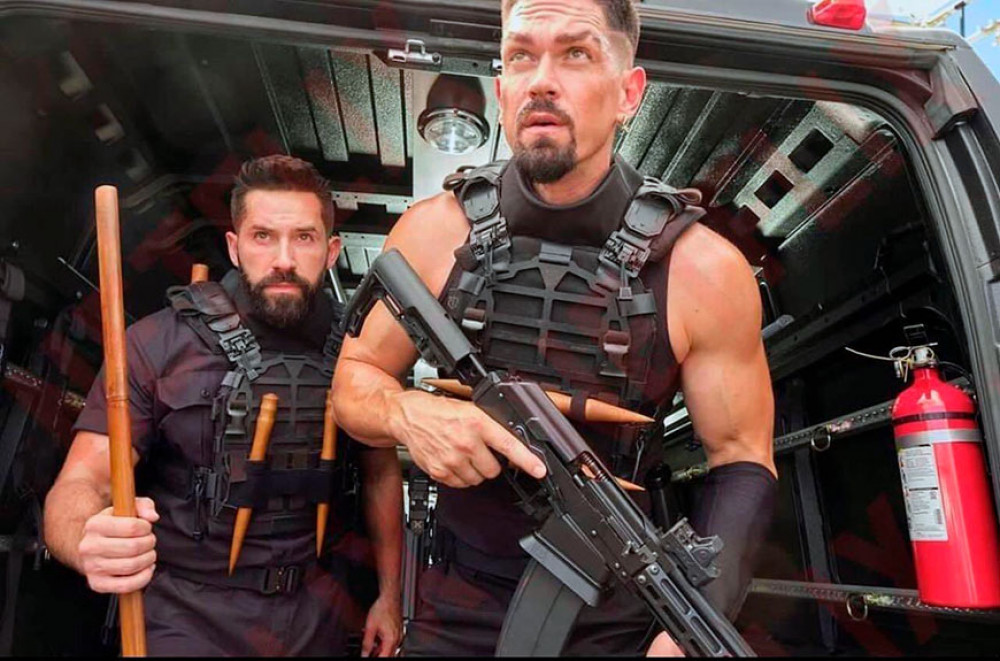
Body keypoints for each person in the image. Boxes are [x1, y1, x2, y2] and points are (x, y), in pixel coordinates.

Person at [333, 0, 777, 655]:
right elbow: (353, 379)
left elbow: (741, 459)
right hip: (451, 609)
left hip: (617, 619)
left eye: (576, 53)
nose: (542, 79)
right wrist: (406, 414)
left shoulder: (703, 269)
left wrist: (690, 629)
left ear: (629, 93)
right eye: (521, 56)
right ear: (500, 92)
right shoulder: (432, 232)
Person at [44, 155, 403, 656]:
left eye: (304, 237)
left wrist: (390, 596)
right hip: (187, 617)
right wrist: (89, 538)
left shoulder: (362, 352)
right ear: (234, 247)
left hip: (316, 616)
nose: (283, 259)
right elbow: (83, 481)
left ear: (331, 250)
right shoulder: (156, 343)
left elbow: (381, 474)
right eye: (263, 236)